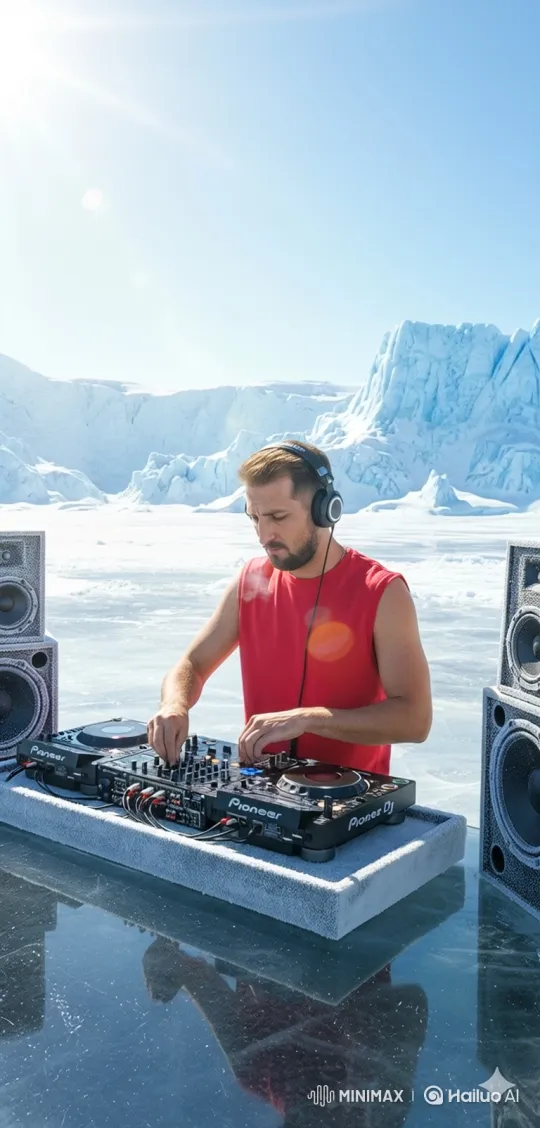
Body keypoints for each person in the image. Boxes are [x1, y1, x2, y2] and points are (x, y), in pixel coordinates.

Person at [148, 440, 432, 769]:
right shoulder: (250, 581)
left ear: (324, 510)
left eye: (278, 516)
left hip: (348, 795)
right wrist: (175, 703)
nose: (263, 535)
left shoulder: (383, 592)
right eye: (255, 518)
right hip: (262, 789)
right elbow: (192, 665)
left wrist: (307, 720)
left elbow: (415, 719)